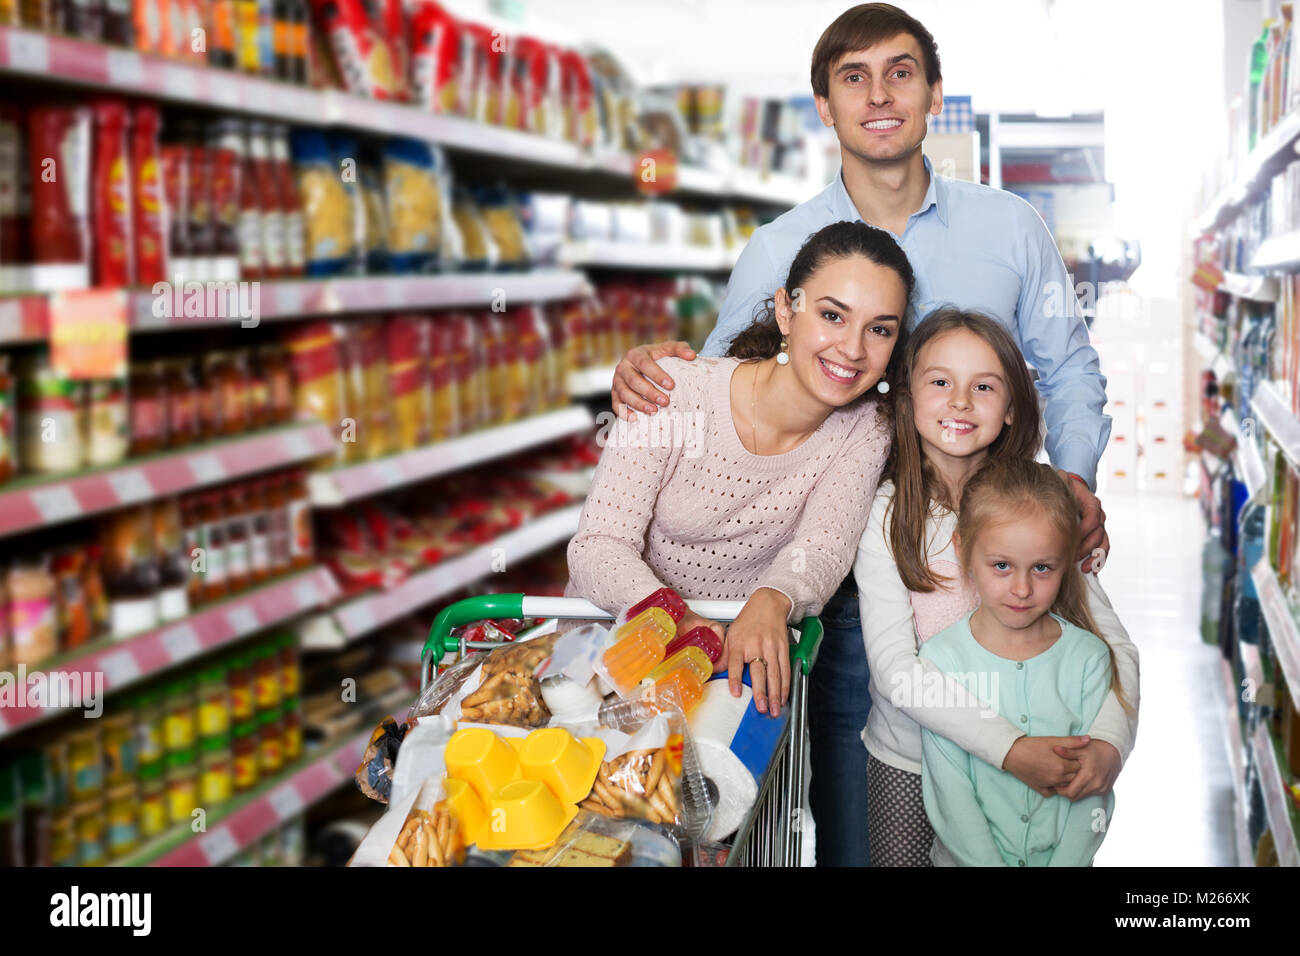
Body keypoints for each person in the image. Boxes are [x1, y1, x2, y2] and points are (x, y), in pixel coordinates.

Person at [605, 3, 1114, 866]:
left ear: (934, 95)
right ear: (824, 107)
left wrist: (1071, 480)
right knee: (861, 816)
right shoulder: (779, 250)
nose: (879, 95)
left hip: (994, 569)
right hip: (841, 578)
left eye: (901, 72)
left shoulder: (1012, 230)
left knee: (1021, 803)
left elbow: (1068, 369)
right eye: (854, 77)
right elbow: (730, 380)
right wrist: (647, 372)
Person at [565, 221, 911, 717]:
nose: (853, 349)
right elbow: (598, 544)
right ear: (786, 312)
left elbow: (824, 544)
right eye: (833, 315)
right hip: (601, 666)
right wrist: (675, 621)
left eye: (879, 329)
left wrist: (775, 597)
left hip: (719, 678)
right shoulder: (674, 391)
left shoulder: (866, 428)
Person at [856, 309, 1138, 866]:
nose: (960, 402)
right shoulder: (886, 514)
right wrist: (1009, 749)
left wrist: (1110, 741)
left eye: (983, 387)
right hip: (912, 764)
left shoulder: (1041, 502)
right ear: (908, 398)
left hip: (1044, 766)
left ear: (1011, 409)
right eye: (940, 382)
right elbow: (896, 672)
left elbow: (1113, 645)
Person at [919, 456, 1134, 866]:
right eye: (1002, 566)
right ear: (963, 549)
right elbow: (952, 796)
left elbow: (1092, 791)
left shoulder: (1088, 660)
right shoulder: (940, 660)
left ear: (1067, 558)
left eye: (1042, 568)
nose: (1021, 589)